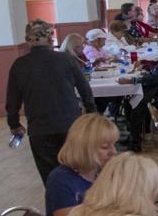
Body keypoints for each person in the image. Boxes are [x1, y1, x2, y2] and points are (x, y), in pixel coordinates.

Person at [7, 20, 97, 183]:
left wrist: (13, 123)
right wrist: (91, 114)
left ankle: (57, 205)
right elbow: (85, 89)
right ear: (50, 39)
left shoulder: (19, 65)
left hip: (40, 128)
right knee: (77, 171)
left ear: (28, 40)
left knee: (50, 177)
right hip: (70, 124)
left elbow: (13, 99)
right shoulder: (66, 59)